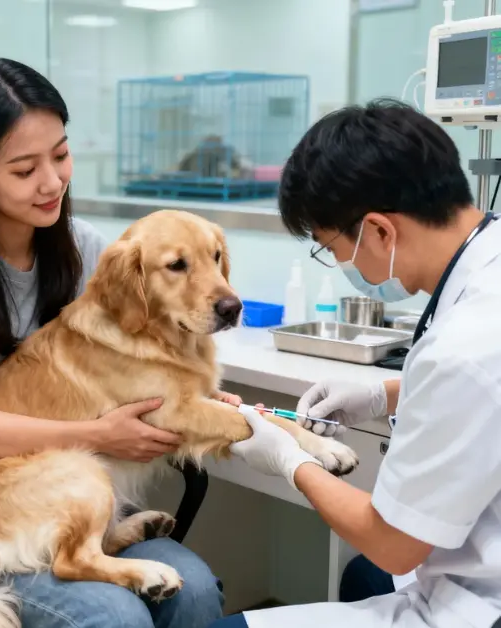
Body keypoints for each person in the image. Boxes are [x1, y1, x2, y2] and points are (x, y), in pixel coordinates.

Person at [0, 58, 225, 628]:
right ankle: (84, 557)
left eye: (61, 155)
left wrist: (198, 402)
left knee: (196, 596)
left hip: (68, 488)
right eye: (23, 169)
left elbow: (143, 361)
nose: (52, 182)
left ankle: (93, 546)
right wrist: (95, 435)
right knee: (115, 619)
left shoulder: (84, 248)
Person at [210, 99, 501, 627]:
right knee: (361, 577)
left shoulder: (465, 346)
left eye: (331, 248)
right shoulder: (487, 262)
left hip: (483, 603)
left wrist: (289, 462)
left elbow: (394, 545)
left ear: (379, 231)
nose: (342, 264)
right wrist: (383, 394)